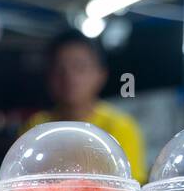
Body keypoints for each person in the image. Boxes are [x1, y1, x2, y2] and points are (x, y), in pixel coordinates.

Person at [28, 29, 146, 182]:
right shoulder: (36, 127)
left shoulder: (120, 127)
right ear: (49, 76)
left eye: (79, 67)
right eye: (60, 69)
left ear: (100, 75)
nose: (69, 76)